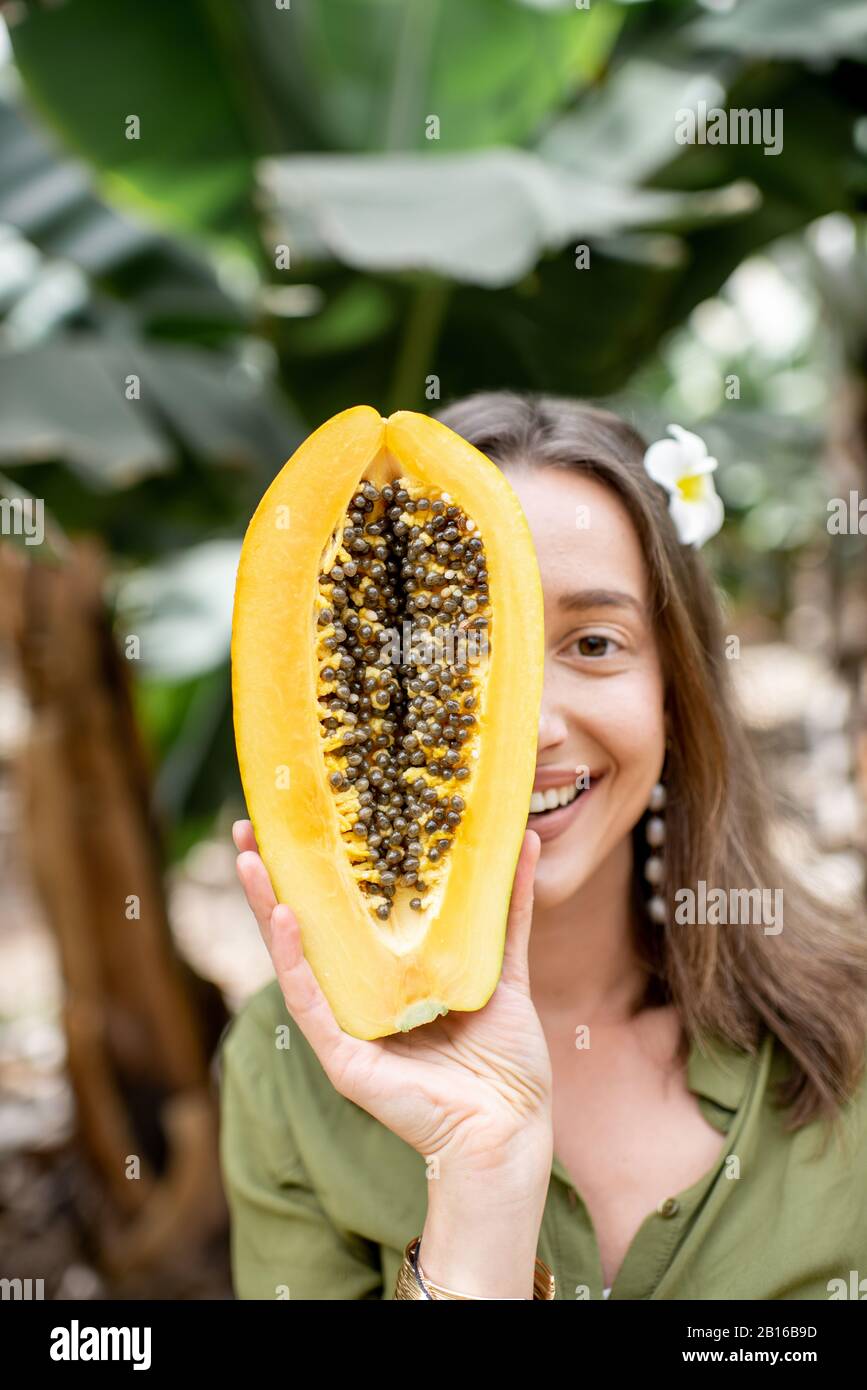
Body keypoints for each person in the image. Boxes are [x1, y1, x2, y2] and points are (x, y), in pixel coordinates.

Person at [219, 391, 867, 1300]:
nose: (531, 724)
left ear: (675, 688)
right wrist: (479, 1192)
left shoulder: (853, 1037)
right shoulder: (282, 1075)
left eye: (594, 643)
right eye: (458, 651)